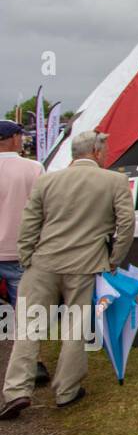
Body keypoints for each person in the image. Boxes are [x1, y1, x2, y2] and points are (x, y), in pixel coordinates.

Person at [0, 131, 134, 419]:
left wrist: (27, 257)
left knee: (28, 328)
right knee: (75, 328)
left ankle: (16, 390)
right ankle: (66, 390)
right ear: (97, 152)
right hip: (86, 264)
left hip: (43, 263)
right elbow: (126, 224)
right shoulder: (114, 181)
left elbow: (29, 223)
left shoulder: (47, 180)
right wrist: (113, 260)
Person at [0, 120, 49, 386]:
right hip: (20, 249)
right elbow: (43, 209)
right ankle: (32, 362)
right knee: (27, 310)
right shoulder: (32, 168)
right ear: (14, 139)